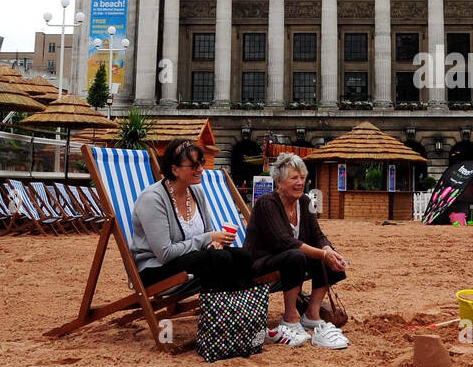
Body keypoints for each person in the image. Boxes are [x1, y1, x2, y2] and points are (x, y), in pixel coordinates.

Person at [131, 139, 277, 292]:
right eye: (194, 166)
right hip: (155, 269)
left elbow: (208, 232)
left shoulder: (196, 191)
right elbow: (165, 254)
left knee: (243, 256)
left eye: (201, 163)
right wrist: (208, 239)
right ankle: (223, 311)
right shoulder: (152, 199)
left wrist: (215, 243)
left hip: (191, 259)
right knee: (218, 259)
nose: (201, 169)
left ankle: (240, 309)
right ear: (175, 170)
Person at [250, 153, 350, 349]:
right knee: (297, 255)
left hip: (290, 257)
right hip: (261, 262)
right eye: (294, 178)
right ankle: (290, 318)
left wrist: (328, 250)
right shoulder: (266, 203)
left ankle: (311, 314)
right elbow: (283, 242)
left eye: (302, 178)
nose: (300, 182)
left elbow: (317, 234)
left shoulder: (305, 202)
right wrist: (322, 253)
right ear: (279, 181)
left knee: (329, 255)